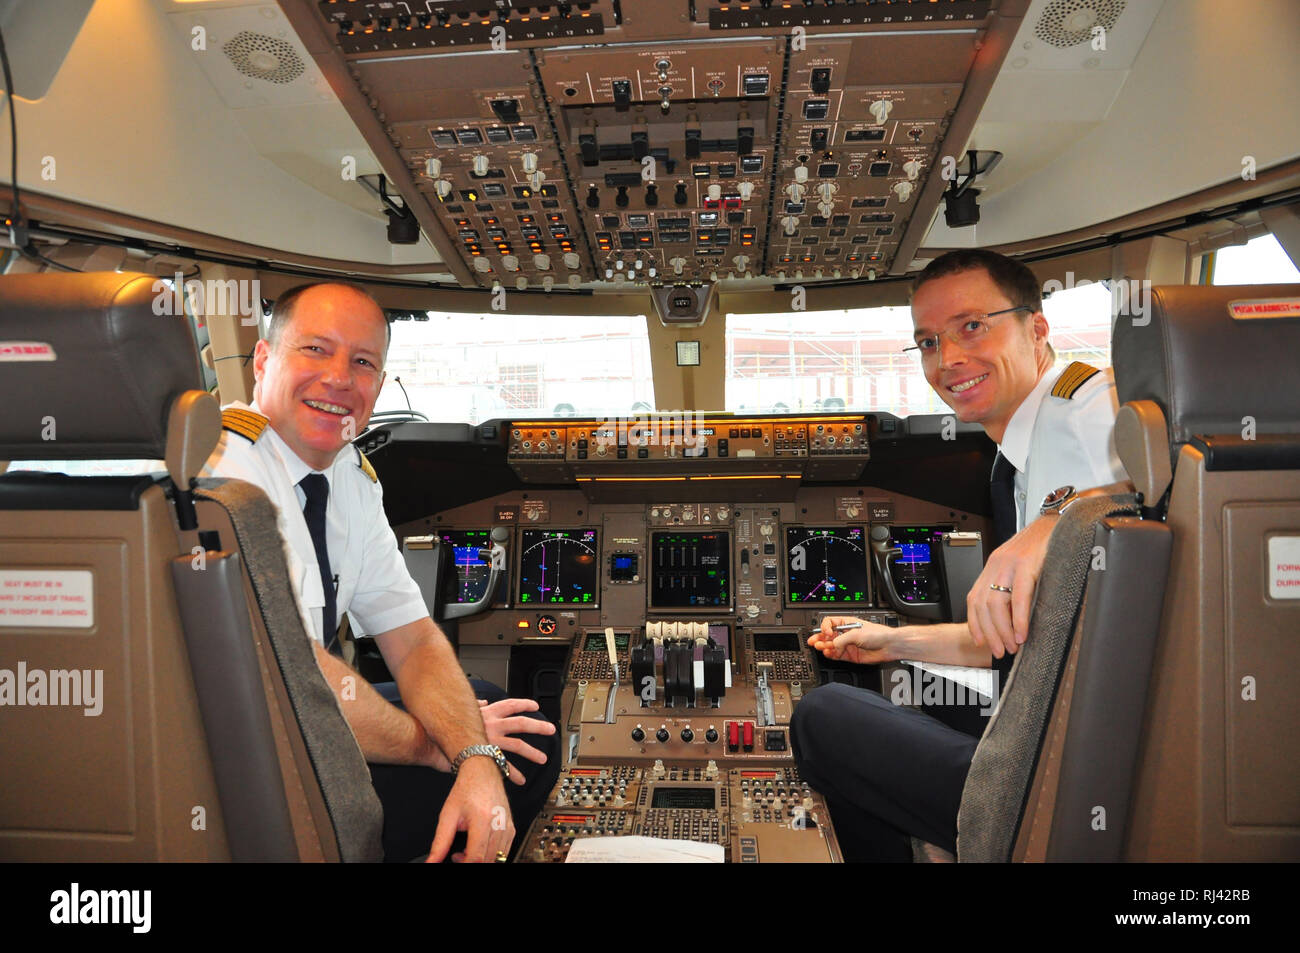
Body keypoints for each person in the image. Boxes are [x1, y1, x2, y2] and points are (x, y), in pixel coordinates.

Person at [790, 249, 1129, 861]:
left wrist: (1050, 526)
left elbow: (1166, 490)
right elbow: (1016, 633)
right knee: (896, 680)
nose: (948, 360)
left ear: (1037, 327)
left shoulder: (1084, 410)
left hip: (1061, 775)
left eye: (973, 326)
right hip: (1056, 717)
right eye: (927, 342)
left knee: (823, 714)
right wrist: (888, 640)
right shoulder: (1027, 443)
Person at [203, 282, 559, 863]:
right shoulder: (222, 473)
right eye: (315, 350)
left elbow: (415, 640)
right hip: (245, 744)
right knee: (506, 751)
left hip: (305, 708)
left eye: (362, 361)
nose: (340, 378)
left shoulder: (350, 476)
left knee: (508, 722)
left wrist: (471, 754)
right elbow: (293, 673)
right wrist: (439, 751)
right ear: (264, 360)